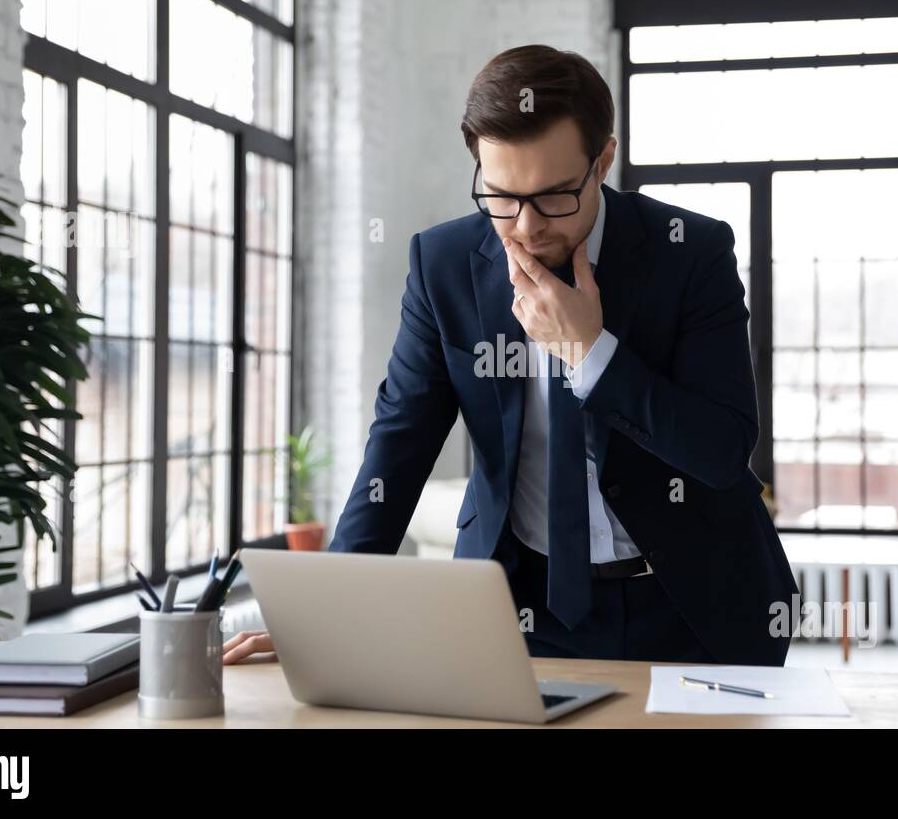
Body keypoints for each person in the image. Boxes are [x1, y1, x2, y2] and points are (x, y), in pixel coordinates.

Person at [224, 44, 797, 667]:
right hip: (520, 611)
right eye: (500, 196)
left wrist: (590, 353)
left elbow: (720, 451)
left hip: (696, 607)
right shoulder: (442, 266)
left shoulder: (691, 253)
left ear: (602, 160)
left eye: (554, 197)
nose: (525, 227)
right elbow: (399, 445)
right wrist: (324, 611)